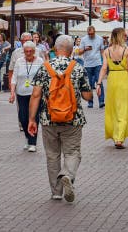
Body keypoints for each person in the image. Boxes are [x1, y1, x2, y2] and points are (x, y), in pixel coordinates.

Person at [28, 35, 92, 203]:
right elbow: (87, 96)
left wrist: (31, 119)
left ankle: (56, 192)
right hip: (73, 119)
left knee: (52, 155)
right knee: (72, 153)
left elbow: (35, 94)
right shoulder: (77, 68)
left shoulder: (45, 68)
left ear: (55, 49)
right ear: (71, 51)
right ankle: (68, 175)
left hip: (49, 119)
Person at [97, 27, 128, 148]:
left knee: (113, 109)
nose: (126, 37)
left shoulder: (107, 51)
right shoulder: (127, 50)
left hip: (112, 80)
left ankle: (116, 136)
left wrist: (99, 83)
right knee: (124, 109)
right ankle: (119, 138)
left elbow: (104, 68)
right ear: (121, 36)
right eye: (125, 35)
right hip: (124, 79)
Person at [9, 41, 45, 151]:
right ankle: (27, 136)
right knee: (23, 118)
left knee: (33, 116)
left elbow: (44, 76)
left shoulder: (40, 61)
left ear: (34, 51)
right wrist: (12, 93)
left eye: (31, 51)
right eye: (26, 51)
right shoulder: (19, 61)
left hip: (36, 94)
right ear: (23, 52)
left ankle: (32, 142)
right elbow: (14, 77)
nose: (28, 53)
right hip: (21, 93)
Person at [79, 26, 105, 108]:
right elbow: (79, 52)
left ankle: (101, 101)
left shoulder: (100, 39)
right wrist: (85, 49)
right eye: (89, 34)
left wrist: (104, 61)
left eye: (92, 34)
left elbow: (102, 51)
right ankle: (90, 102)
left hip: (97, 63)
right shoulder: (84, 39)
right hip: (87, 64)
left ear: (95, 32)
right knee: (89, 84)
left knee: (99, 82)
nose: (90, 35)